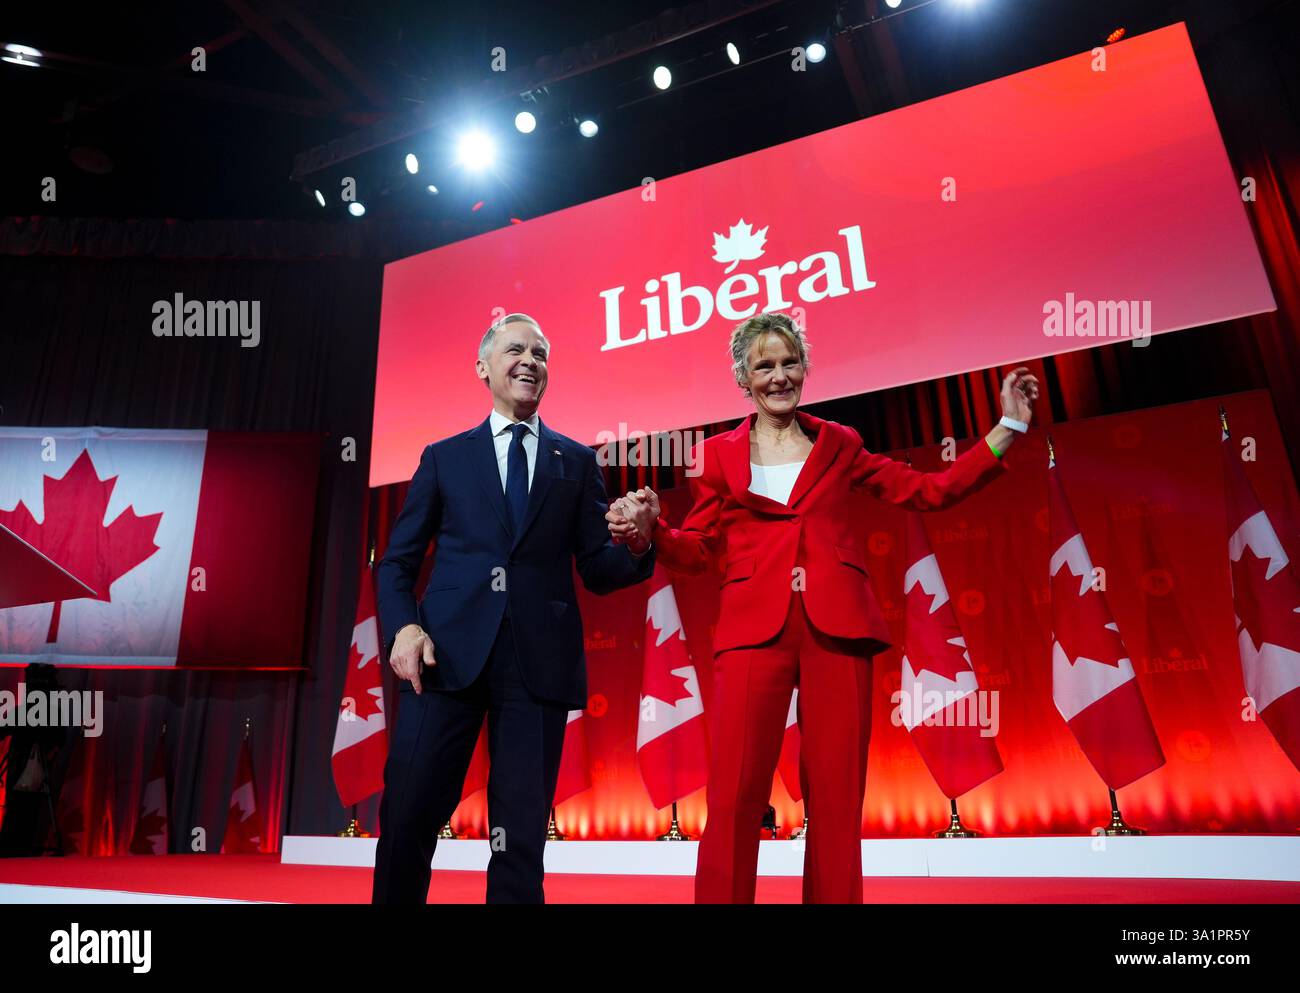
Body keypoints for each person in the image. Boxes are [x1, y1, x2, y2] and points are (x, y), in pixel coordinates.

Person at [608, 311, 1039, 903]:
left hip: (837, 629)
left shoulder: (841, 443)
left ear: (805, 368)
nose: (779, 375)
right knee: (734, 795)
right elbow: (699, 550)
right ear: (744, 378)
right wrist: (650, 533)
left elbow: (928, 491)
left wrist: (1007, 429)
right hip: (750, 633)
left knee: (837, 797)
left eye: (789, 363)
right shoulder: (713, 457)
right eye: (765, 366)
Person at [372, 313, 656, 904]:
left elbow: (598, 569)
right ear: (484, 368)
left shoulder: (576, 461)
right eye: (514, 350)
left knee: (519, 837)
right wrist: (403, 628)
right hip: (442, 662)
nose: (530, 361)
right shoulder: (444, 458)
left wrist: (638, 542)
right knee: (407, 816)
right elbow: (395, 563)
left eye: (541, 353)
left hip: (536, 670)